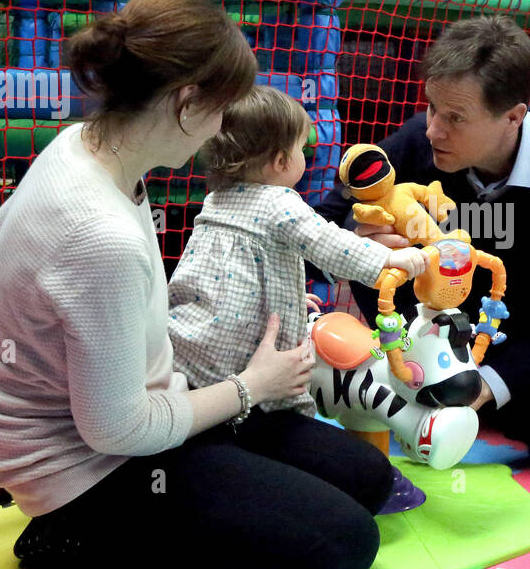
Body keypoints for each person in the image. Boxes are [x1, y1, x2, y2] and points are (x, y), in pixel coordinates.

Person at [0, 0, 394, 569]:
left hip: (155, 415)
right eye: (222, 110)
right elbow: (118, 432)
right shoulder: (101, 235)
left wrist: (79, 331)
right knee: (346, 547)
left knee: (364, 479)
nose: (221, 131)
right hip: (91, 474)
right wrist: (254, 386)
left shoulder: (81, 146)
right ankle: (77, 543)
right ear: (187, 101)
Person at [316, 15, 530, 480]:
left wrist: (483, 388)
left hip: (520, 346)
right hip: (416, 339)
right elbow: (322, 220)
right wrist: (357, 240)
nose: (434, 130)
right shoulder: (417, 143)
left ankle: (459, 406)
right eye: (433, 107)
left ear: (513, 117)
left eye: (455, 117)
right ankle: (426, 397)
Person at [166, 85, 427, 414]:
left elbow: (223, 276)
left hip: (187, 348)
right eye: (301, 149)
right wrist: (388, 257)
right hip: (237, 363)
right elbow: (328, 243)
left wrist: (281, 296)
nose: (305, 156)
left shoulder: (216, 199)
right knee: (293, 404)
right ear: (279, 160)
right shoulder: (279, 203)